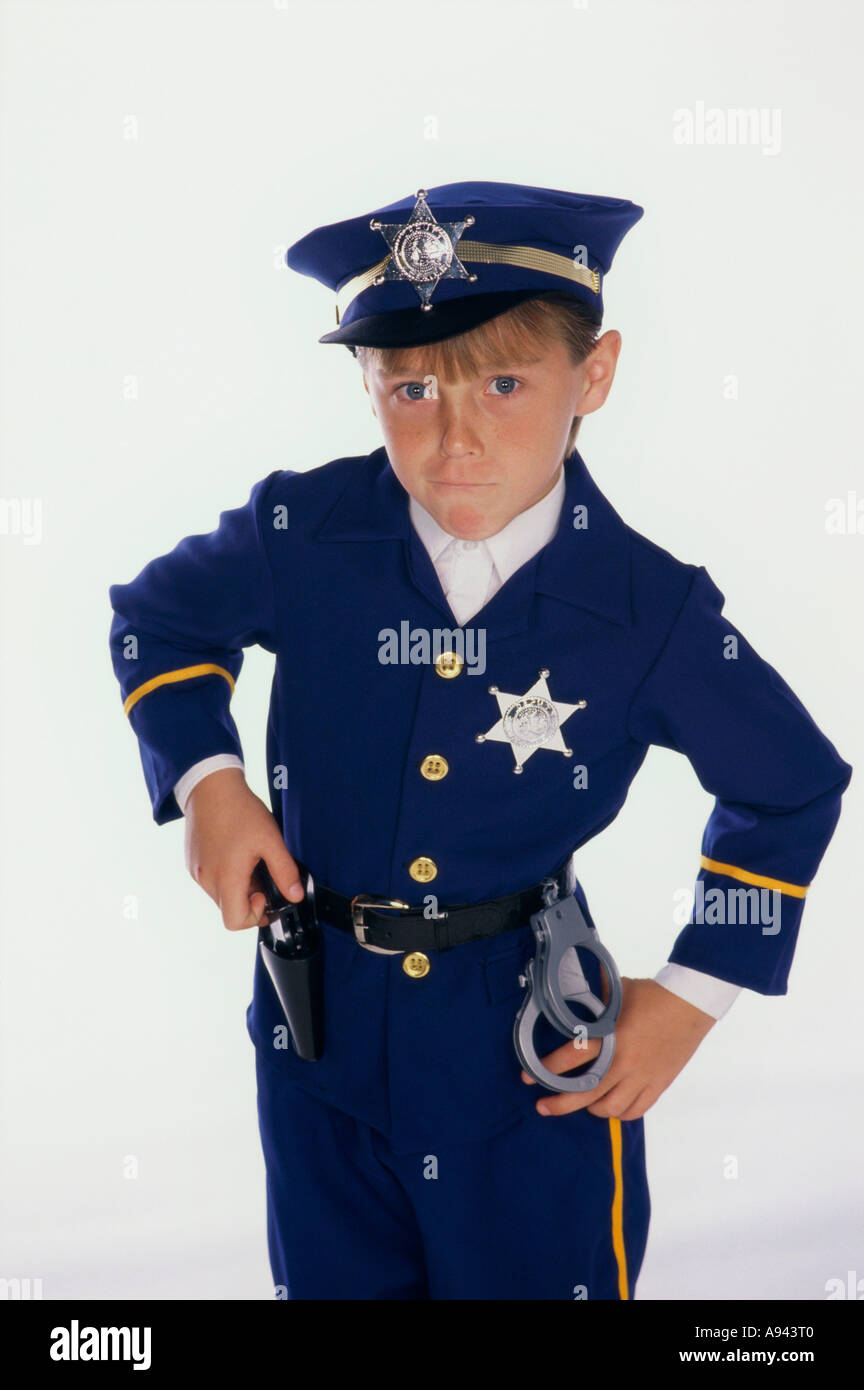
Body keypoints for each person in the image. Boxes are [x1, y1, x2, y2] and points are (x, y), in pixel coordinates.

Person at [108, 181, 852, 1300]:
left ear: (592, 375)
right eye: (412, 387)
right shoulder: (301, 532)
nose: (456, 437)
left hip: (530, 1056)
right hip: (322, 1050)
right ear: (366, 385)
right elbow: (158, 618)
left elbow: (791, 785)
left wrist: (697, 993)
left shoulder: (647, 608)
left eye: (505, 382)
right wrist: (211, 780)